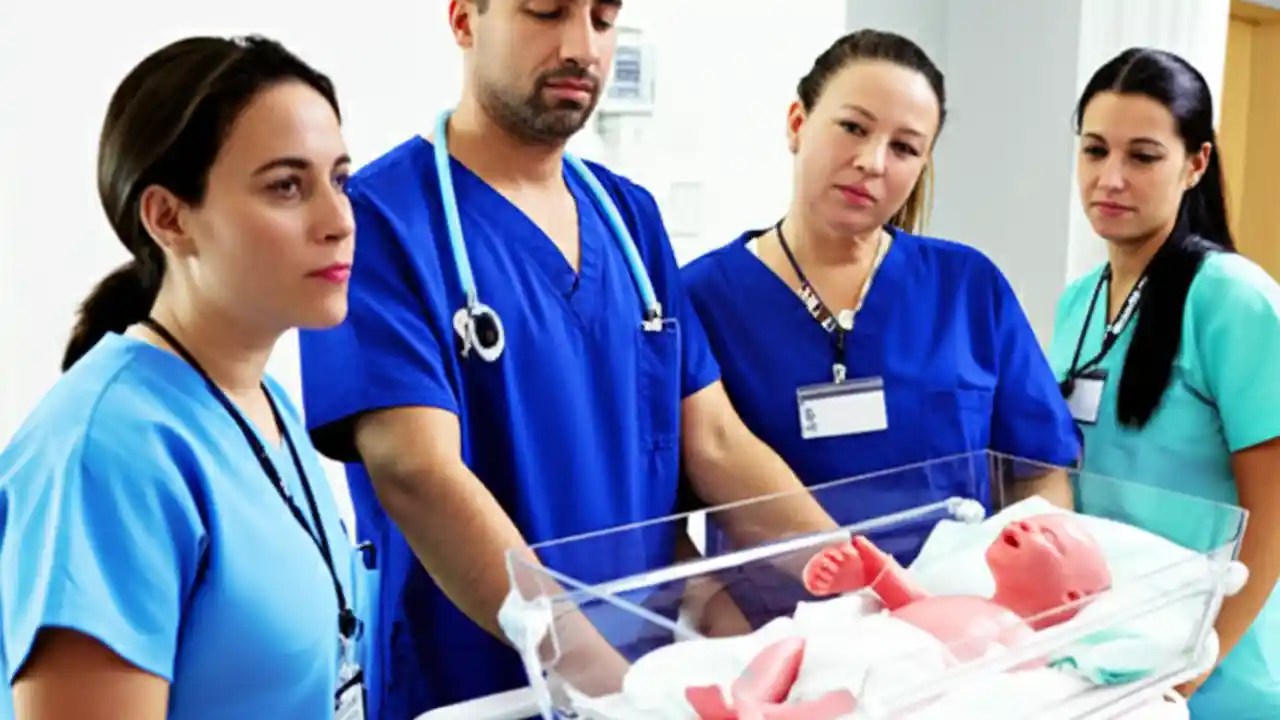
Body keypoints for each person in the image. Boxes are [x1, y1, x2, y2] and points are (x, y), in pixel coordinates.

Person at [295, 1, 836, 718]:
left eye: (603, 19)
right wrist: (609, 690)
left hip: (649, 684)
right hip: (483, 693)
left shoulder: (628, 219)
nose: (582, 47)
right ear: (464, 20)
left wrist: (864, 584)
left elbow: (715, 441)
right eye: (547, 11)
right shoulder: (381, 223)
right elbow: (417, 473)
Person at [0, 36, 364, 719]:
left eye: (340, 181)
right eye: (287, 186)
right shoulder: (103, 453)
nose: (338, 221)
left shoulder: (264, 405)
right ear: (168, 217)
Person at [682, 29, 1079, 540]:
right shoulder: (702, 299)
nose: (872, 162)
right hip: (786, 593)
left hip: (953, 589)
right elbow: (674, 504)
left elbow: (1037, 472)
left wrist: (1034, 569)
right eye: (852, 127)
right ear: (797, 124)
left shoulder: (966, 288)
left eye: (904, 148)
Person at [1048, 47, 1280, 718]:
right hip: (1112, 651)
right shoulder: (1078, 302)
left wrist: (1192, 668)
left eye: (1143, 156)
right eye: (1095, 150)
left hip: (1218, 669)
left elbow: (1274, 517)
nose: (1110, 178)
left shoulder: (1233, 299)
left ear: (1195, 163)